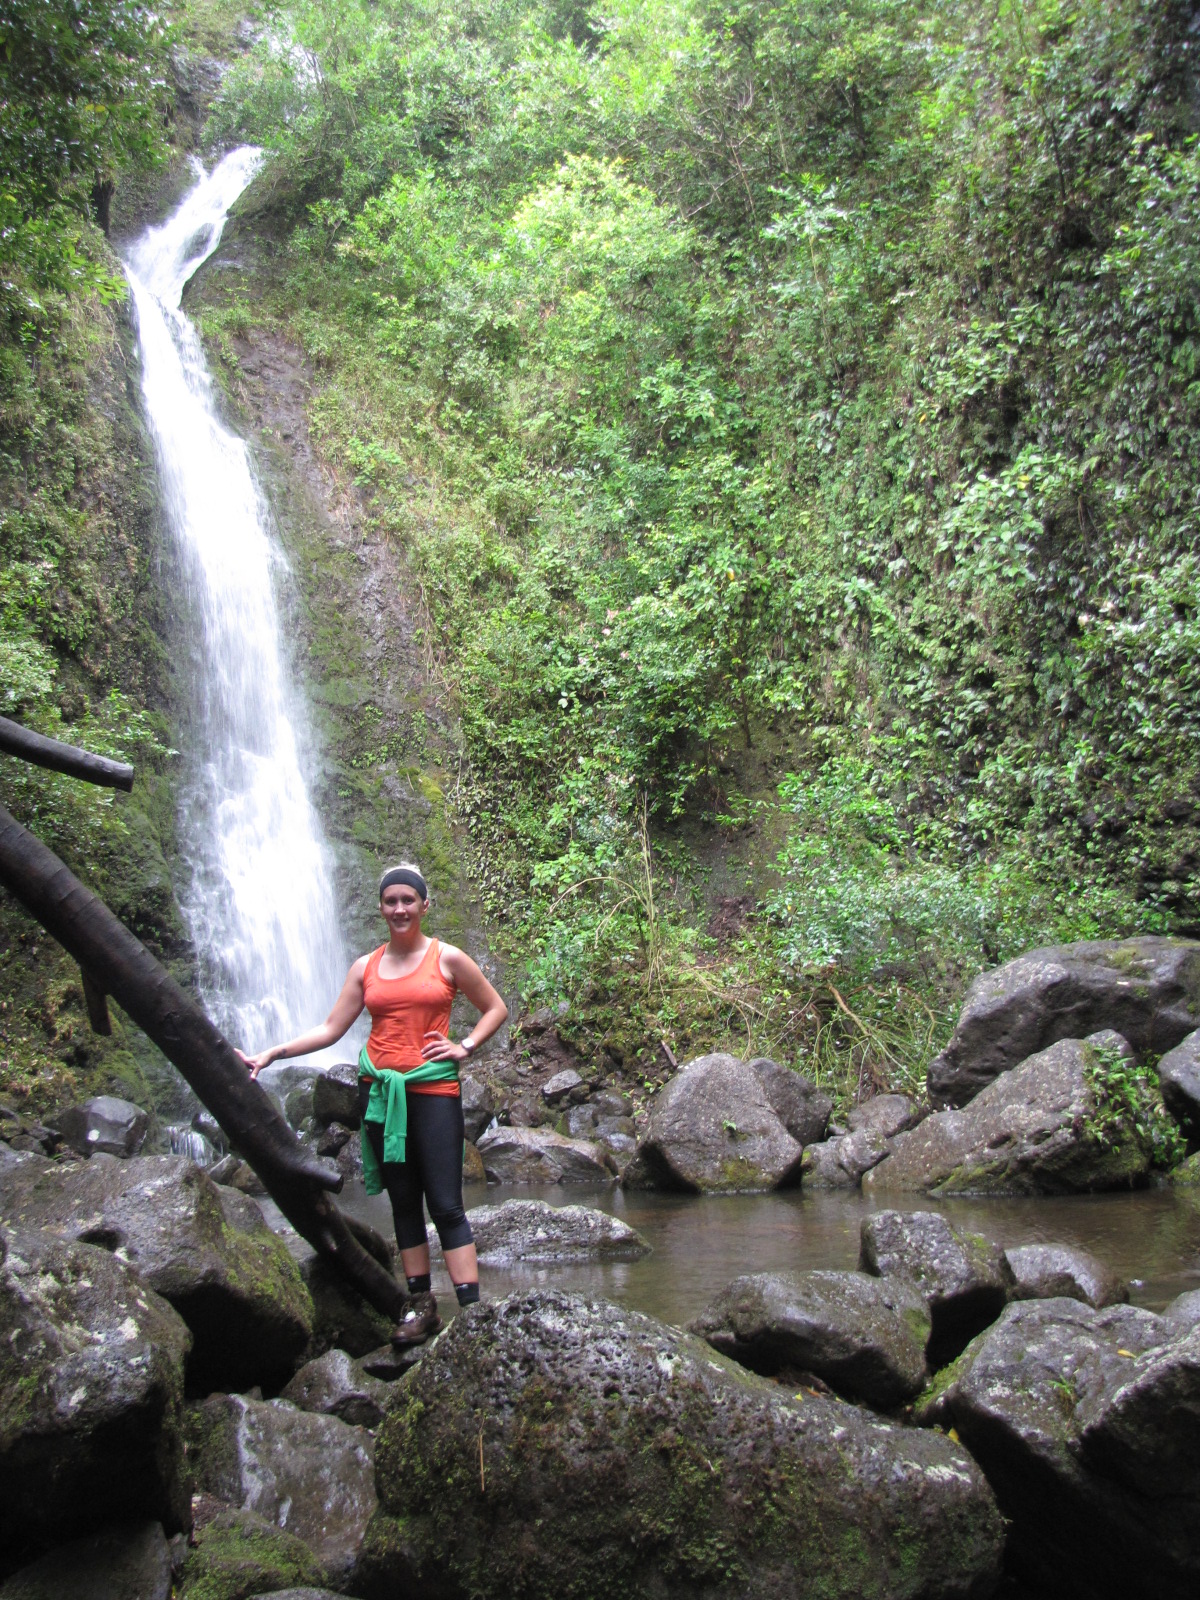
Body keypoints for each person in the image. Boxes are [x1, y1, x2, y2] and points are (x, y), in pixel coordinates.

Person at [238, 862, 508, 1344]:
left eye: (409, 900)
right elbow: (331, 1029)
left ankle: (472, 1313)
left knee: (445, 1204)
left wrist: (463, 1046)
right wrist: (274, 1053)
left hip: (433, 1092)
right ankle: (421, 1308)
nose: (399, 908)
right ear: (381, 907)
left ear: (425, 906)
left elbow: (496, 1008)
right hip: (381, 1093)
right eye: (391, 901)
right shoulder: (365, 967)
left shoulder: (448, 959)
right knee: (404, 1202)